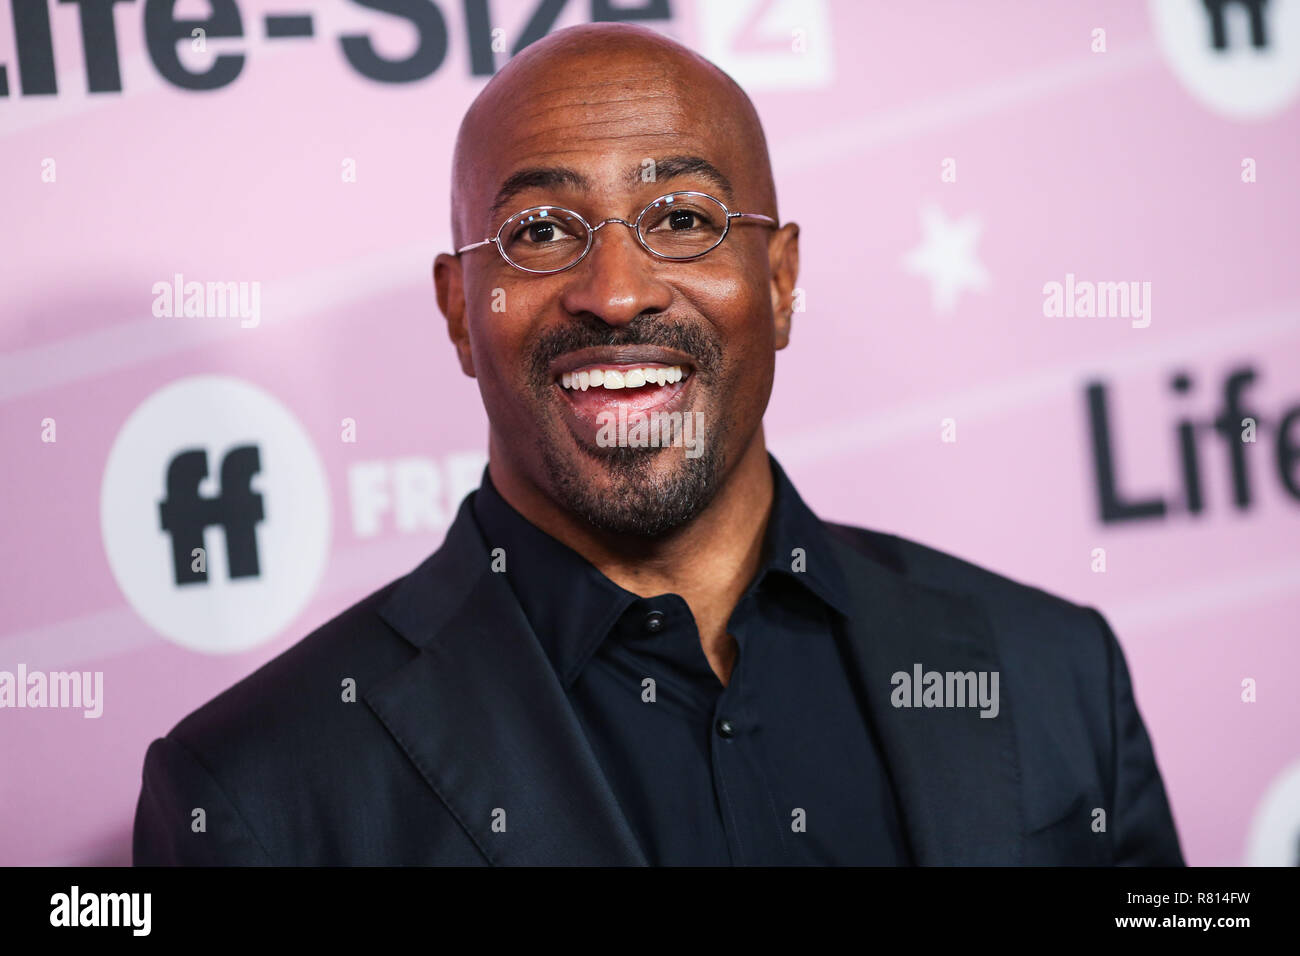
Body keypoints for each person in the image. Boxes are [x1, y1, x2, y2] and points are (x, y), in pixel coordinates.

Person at [133, 23, 1183, 866]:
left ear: (777, 283)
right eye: (539, 231)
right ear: (460, 310)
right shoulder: (258, 791)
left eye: (681, 217)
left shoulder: (1050, 669)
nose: (617, 292)